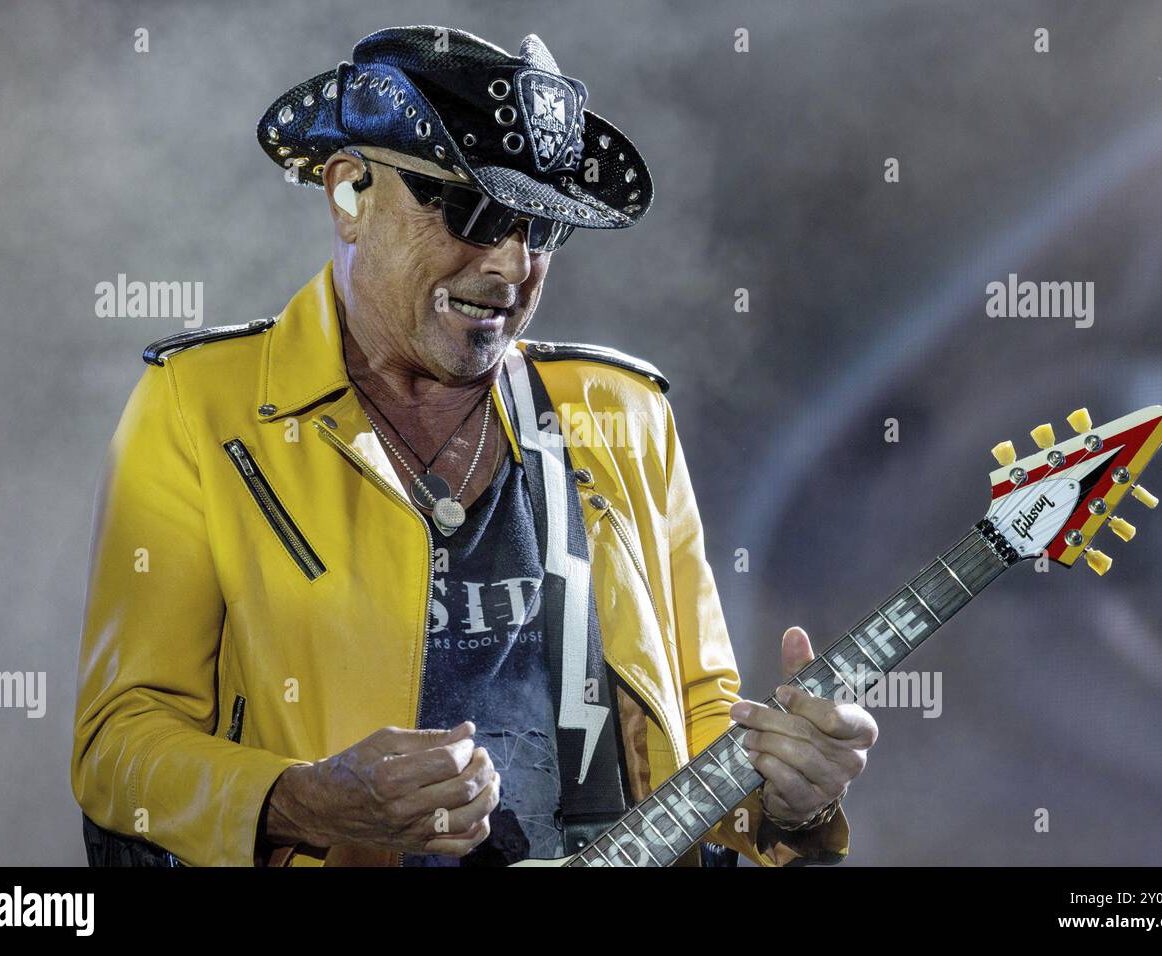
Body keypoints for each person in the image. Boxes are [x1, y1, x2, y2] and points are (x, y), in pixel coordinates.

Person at [71, 25, 876, 867]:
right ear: (350, 191)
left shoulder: (624, 414)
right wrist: (304, 802)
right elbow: (120, 747)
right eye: (474, 211)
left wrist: (792, 798)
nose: (510, 266)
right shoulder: (199, 407)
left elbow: (699, 714)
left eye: (541, 228)